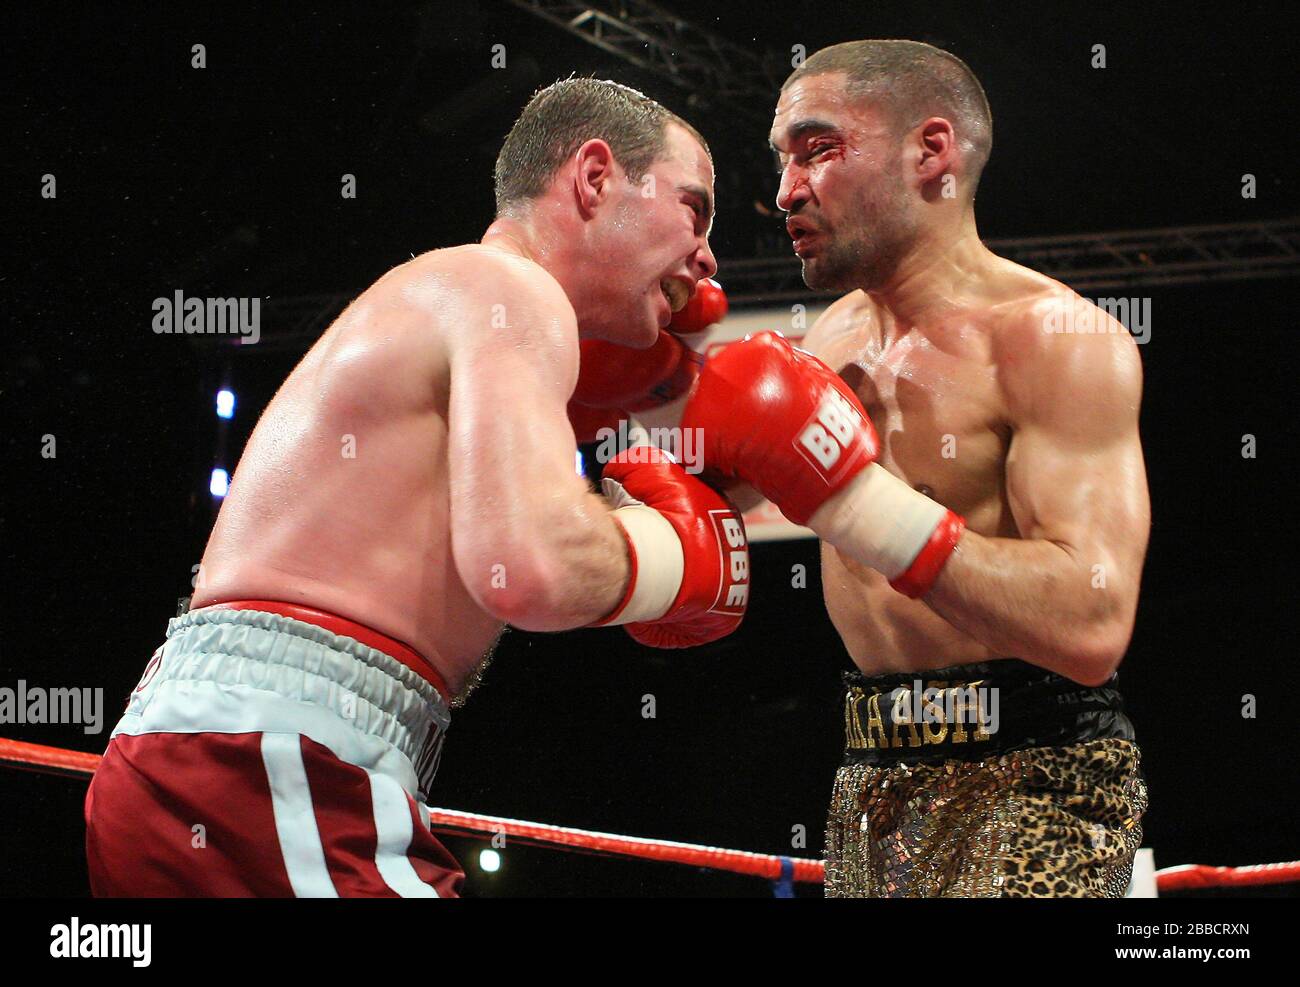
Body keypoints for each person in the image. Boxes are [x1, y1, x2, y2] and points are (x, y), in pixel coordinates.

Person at [84, 78, 749, 897]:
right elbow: (531, 566)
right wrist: (684, 556)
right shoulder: (511, 290)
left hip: (243, 756)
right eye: (695, 209)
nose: (708, 256)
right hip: (268, 765)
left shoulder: (461, 301)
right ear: (595, 176)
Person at [682, 39, 1150, 897]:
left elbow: (1091, 624)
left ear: (931, 152)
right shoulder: (830, 342)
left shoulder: (1055, 341)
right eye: (781, 161)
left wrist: (859, 503)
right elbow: (706, 505)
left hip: (1038, 771)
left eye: (817, 150)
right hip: (869, 776)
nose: (786, 191)